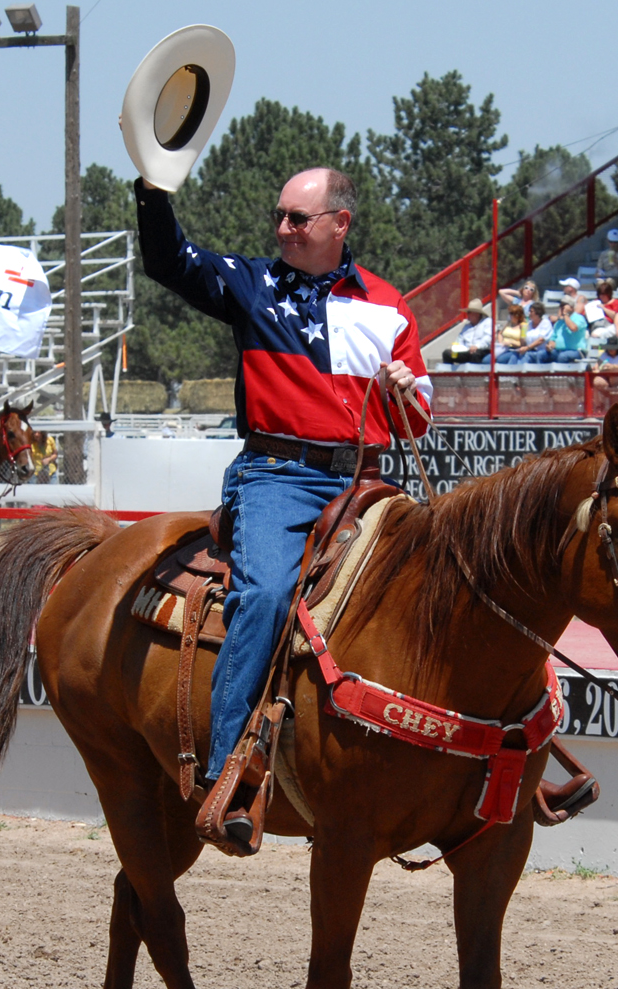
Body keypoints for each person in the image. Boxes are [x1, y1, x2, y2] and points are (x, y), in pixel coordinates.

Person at [137, 165, 428, 842]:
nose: (283, 230)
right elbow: (167, 259)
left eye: (298, 219)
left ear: (340, 224)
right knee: (266, 593)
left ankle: (515, 750)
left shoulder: (388, 306)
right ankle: (228, 769)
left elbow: (416, 419)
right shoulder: (249, 282)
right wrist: (153, 190)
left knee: (448, 575)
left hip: (367, 479)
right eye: (280, 217)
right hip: (277, 475)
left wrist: (406, 387)